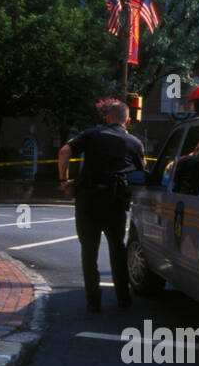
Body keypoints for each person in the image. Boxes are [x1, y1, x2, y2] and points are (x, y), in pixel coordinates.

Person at [58, 98, 145, 311]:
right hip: (115, 201)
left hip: (88, 199)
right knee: (117, 249)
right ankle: (123, 298)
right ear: (128, 120)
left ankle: (93, 301)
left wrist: (64, 181)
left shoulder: (91, 135)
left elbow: (64, 151)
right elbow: (141, 172)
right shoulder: (134, 143)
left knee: (89, 251)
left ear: (107, 117)